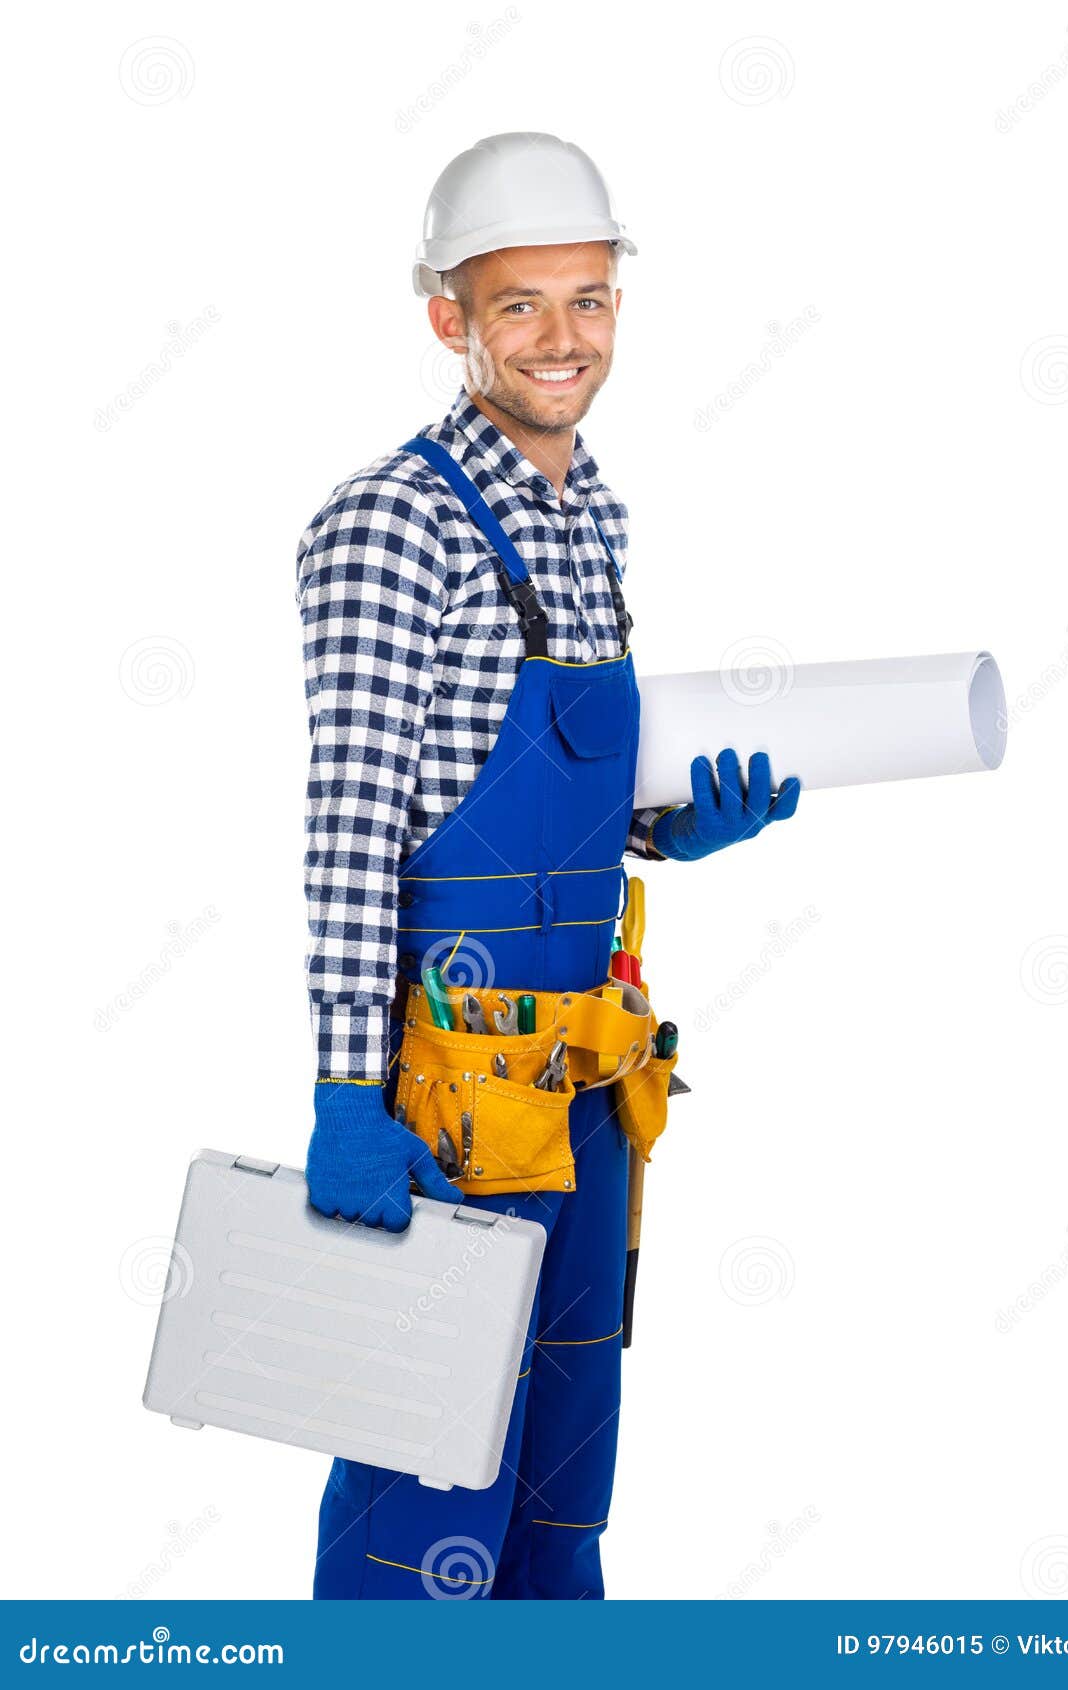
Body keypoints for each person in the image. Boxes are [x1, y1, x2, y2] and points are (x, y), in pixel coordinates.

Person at [295, 132, 800, 1600]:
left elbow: (515, 781)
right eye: (519, 303)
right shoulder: (395, 523)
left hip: (586, 1083)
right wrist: (345, 1096)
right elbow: (354, 830)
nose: (561, 336)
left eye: (588, 298)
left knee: (562, 1488)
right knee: (424, 1488)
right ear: (448, 316)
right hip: (453, 1095)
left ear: (620, 304)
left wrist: (663, 828)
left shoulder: (592, 517)